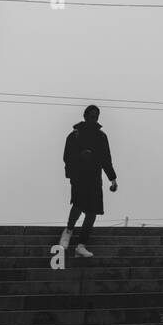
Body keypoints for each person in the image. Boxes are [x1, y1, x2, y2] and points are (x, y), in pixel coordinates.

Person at [58, 105, 117, 258]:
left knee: (92, 211)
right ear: (85, 116)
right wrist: (80, 156)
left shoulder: (101, 136)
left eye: (96, 116)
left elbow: (106, 159)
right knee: (78, 205)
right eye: (91, 115)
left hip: (95, 177)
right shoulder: (74, 135)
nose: (94, 118)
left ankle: (81, 245)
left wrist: (113, 179)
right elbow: (66, 157)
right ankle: (68, 232)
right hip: (79, 175)